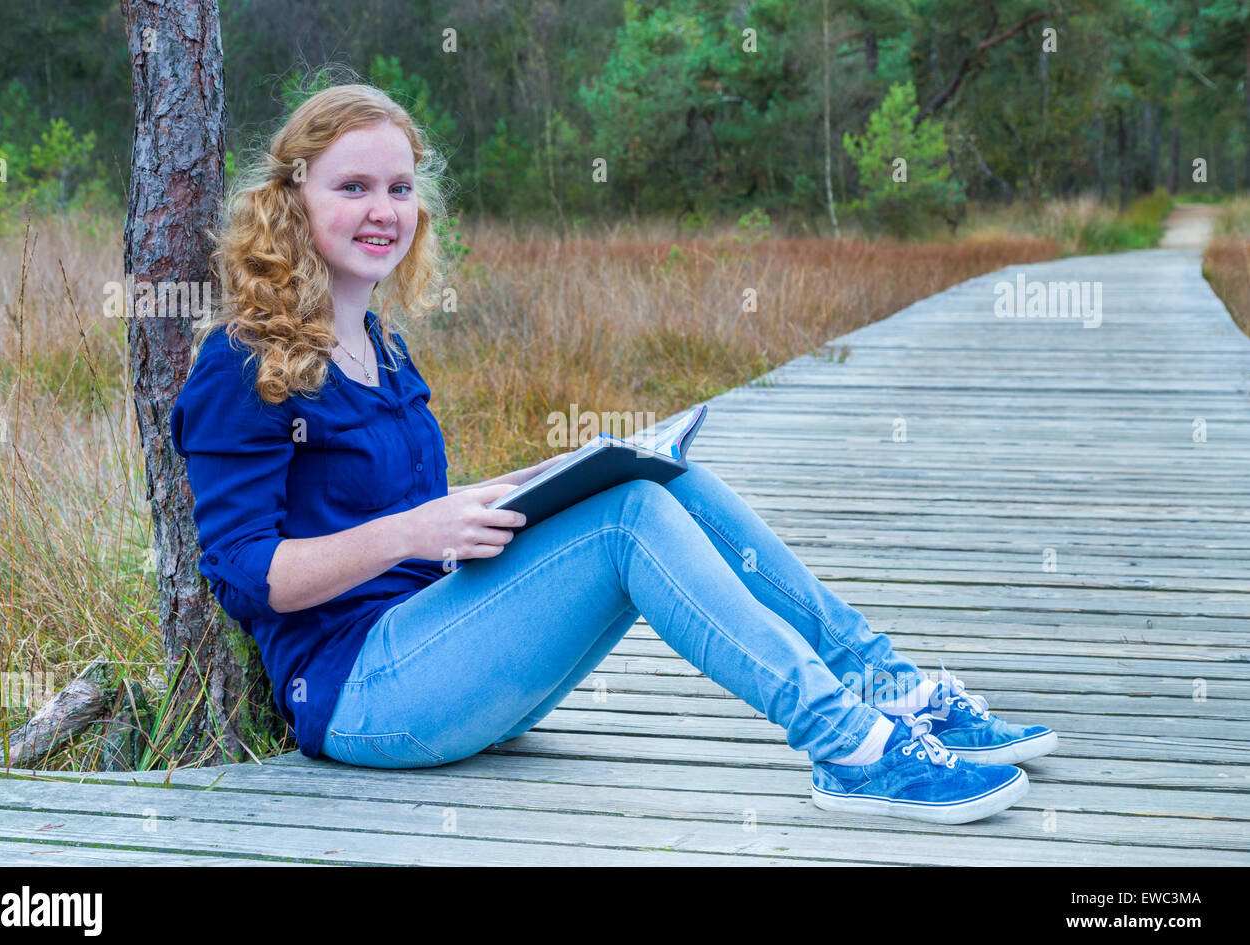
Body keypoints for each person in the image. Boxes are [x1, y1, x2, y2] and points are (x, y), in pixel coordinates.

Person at [170, 82, 1057, 826]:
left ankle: (890, 687)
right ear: (292, 199)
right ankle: (850, 746)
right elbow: (249, 575)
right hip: (361, 696)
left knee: (658, 476)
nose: (383, 211)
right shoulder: (243, 366)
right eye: (353, 186)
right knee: (627, 520)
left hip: (444, 645)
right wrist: (416, 530)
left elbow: (422, 516)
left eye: (400, 189)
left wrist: (546, 477)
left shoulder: (384, 348)